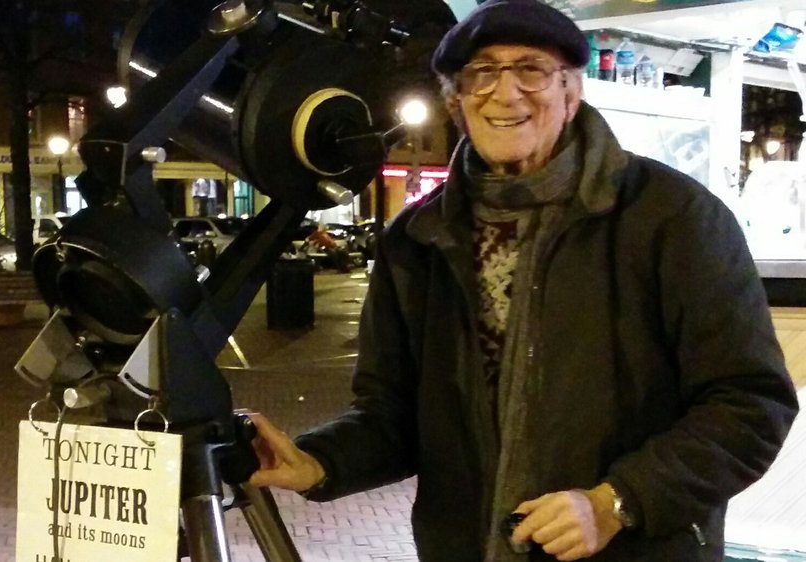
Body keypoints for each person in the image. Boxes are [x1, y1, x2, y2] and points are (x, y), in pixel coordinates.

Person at [246, 1, 800, 560]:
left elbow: (751, 404)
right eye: (482, 73)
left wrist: (618, 501)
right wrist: (318, 461)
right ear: (456, 102)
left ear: (571, 92)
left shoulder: (672, 216)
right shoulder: (417, 240)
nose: (506, 94)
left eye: (532, 69)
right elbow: (395, 414)